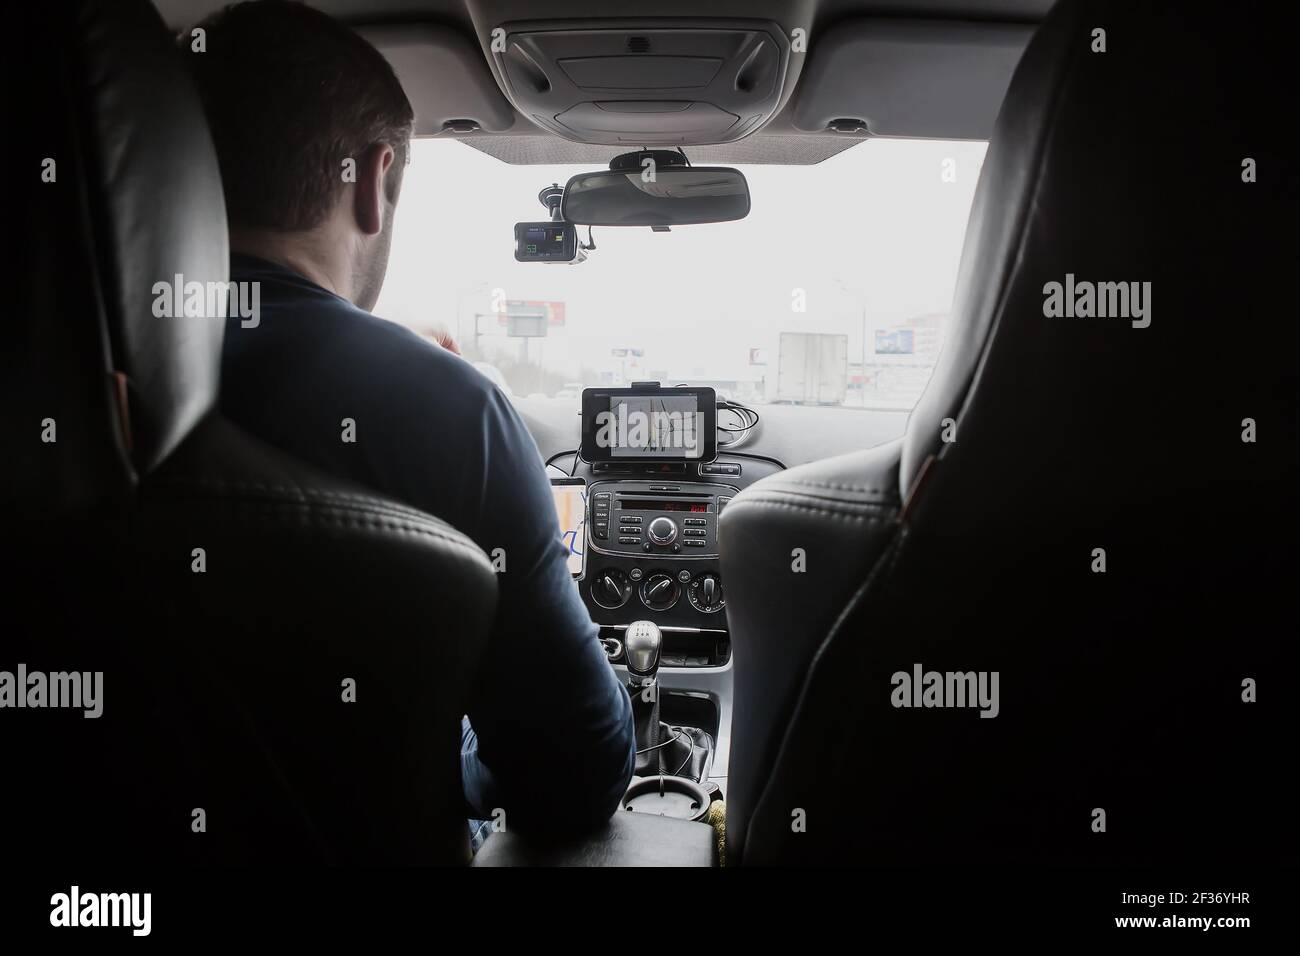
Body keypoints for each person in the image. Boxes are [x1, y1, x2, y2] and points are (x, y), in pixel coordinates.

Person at [184, 0, 634, 840]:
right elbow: (573, 776)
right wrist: (458, 754)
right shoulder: (457, 416)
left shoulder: (62, 381)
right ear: (370, 180)